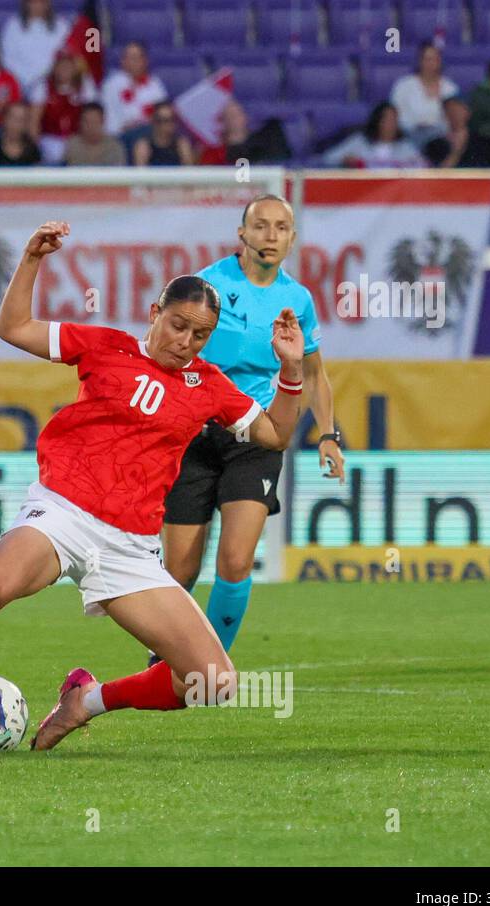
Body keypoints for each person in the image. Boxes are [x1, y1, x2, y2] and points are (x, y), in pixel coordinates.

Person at [0, 221, 305, 757]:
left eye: (199, 334)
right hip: (63, 510)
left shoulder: (209, 387)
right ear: (155, 314)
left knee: (212, 682)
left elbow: (275, 433)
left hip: (130, 545)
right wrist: (32, 258)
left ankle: (85, 702)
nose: (185, 341)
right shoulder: (104, 345)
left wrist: (290, 371)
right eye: (178, 325)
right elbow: (13, 327)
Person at [153, 195, 339, 663]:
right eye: (261, 226)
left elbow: (314, 373)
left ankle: (208, 666)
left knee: (235, 559)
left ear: (292, 239)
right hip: (195, 435)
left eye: (281, 228)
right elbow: (170, 351)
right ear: (242, 233)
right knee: (179, 570)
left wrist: (328, 434)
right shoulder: (207, 287)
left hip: (257, 434)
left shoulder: (297, 299)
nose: (270, 236)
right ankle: (167, 658)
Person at [30, 46, 96, 163]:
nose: (65, 69)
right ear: (54, 67)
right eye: (61, 65)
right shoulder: (42, 87)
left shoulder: (85, 86)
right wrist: (34, 149)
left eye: (69, 65)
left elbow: (92, 116)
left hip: (77, 140)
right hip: (49, 140)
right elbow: (34, 121)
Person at [389, 41, 458, 145]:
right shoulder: (403, 86)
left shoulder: (450, 88)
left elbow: (455, 119)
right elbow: (395, 117)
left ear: (440, 62)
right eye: (427, 59)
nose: (431, 64)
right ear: (419, 61)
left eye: (434, 59)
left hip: (441, 139)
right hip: (409, 137)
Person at [99, 40, 165, 147]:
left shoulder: (155, 85)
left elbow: (162, 113)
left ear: (145, 61)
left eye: (136, 58)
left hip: (150, 138)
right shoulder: (111, 85)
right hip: (121, 137)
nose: (132, 62)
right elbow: (107, 116)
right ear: (122, 61)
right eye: (128, 58)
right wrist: (122, 128)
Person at [320, 100, 424, 168]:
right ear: (377, 121)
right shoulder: (359, 142)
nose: (392, 124)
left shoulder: (405, 147)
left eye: (394, 120)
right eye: (387, 120)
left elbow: (422, 166)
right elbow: (328, 159)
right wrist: (345, 160)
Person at [0, 0, 70, 96]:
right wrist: (23, 80)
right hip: (19, 84)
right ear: (26, 3)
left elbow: (65, 58)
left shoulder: (61, 26)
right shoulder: (13, 26)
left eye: (41, 2)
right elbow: (6, 58)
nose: (37, 6)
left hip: (52, 84)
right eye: (33, 2)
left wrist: (45, 81)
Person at [423, 95, 490, 168]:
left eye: (459, 110)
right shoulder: (435, 144)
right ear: (444, 114)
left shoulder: (484, 141)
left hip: (480, 188)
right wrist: (456, 151)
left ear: (468, 112)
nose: (454, 114)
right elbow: (439, 176)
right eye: (449, 110)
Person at [132, 98, 194, 166]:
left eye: (173, 119)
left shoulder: (182, 144)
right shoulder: (144, 146)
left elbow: (190, 172)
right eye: (165, 120)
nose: (170, 124)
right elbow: (140, 174)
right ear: (155, 122)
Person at [0, 100, 40, 165]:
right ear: (4, 119)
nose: (16, 124)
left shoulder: (33, 151)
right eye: (13, 118)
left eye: (21, 120)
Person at [62, 100, 123, 165]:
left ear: (103, 121)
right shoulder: (72, 145)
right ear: (80, 122)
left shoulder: (114, 147)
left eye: (94, 122)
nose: (91, 126)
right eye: (87, 122)